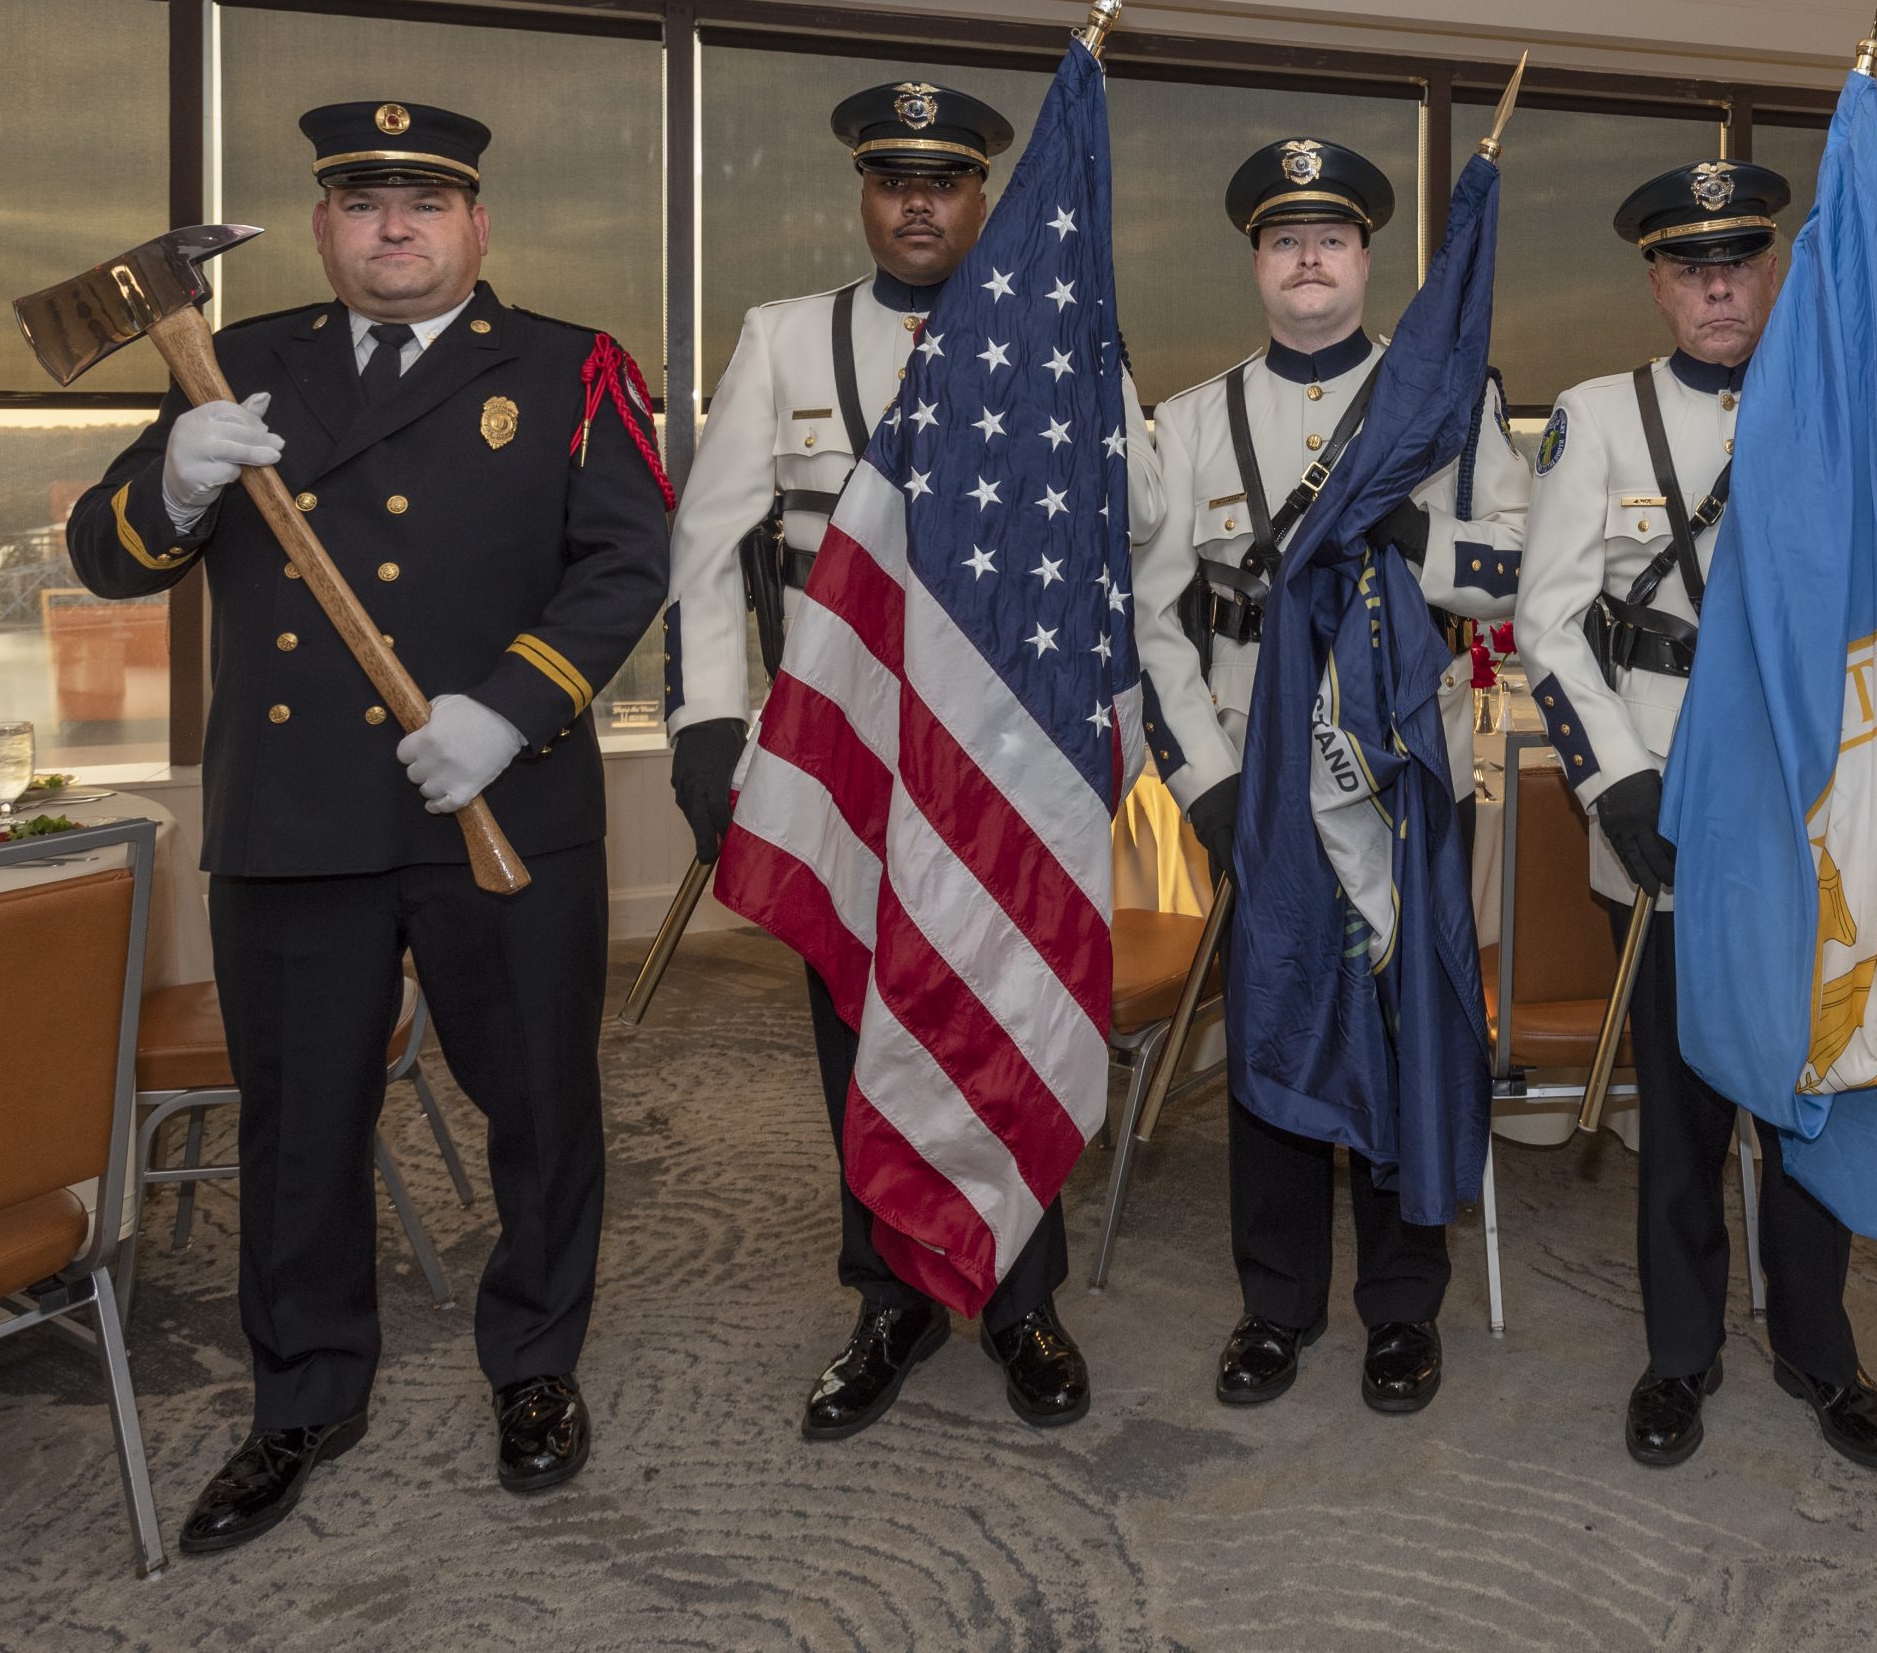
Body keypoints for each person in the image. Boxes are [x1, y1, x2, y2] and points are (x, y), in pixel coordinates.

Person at [66, 100, 671, 1553]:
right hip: (295, 815)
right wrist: (172, 481)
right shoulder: (231, 361)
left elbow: (625, 561)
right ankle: (304, 1392)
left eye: (426, 202)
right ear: (326, 225)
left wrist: (509, 711)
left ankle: (535, 1363)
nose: (394, 227)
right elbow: (108, 557)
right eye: (361, 203)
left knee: (536, 1103)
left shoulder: (572, 366)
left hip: (502, 798)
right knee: (299, 1123)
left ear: (478, 227)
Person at [664, 81, 1133, 1439]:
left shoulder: (1055, 339)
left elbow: (1133, 530)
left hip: (1009, 769)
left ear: (985, 198)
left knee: (1020, 1016)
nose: (920, 202)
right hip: (851, 755)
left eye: (945, 179)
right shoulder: (784, 338)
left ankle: (1023, 1298)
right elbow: (709, 549)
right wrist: (708, 727)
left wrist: (1078, 367)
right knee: (859, 1025)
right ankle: (889, 1297)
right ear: (864, 196)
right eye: (893, 179)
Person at [1514, 159, 1877, 1471]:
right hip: (1663, 812)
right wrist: (1620, 785)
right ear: (1658, 285)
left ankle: (1824, 1354)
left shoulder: (1831, 404)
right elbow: (1549, 623)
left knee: (1807, 1097)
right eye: (1689, 266)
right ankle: (1680, 1353)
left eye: (1741, 262)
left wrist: (1839, 523)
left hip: (1808, 817)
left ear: (1773, 275)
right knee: (1683, 1115)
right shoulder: (1600, 417)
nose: (1719, 286)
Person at [1132, 136, 1531, 1414]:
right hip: (1255, 779)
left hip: (1403, 777)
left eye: (1334, 238)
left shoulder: (1446, 410)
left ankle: (1402, 1305)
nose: (1309, 258)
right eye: (1285, 239)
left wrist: (1419, 530)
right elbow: (1154, 623)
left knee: (1406, 1023)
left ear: (1369, 260)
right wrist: (1200, 779)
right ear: (1257, 262)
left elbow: (1518, 569)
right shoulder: (1191, 425)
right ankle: (1277, 1302)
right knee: (1276, 1029)